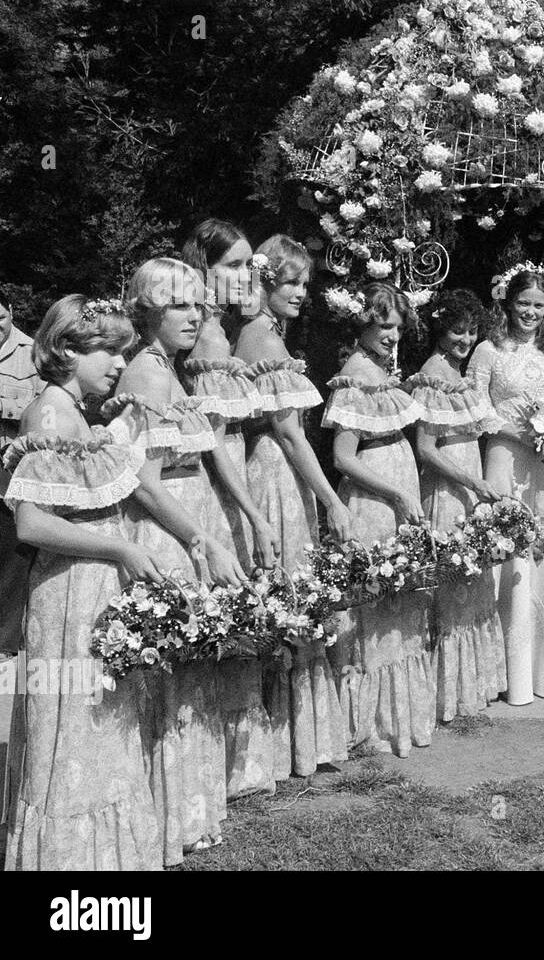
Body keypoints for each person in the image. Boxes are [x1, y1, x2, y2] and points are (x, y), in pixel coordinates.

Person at [3, 294, 163, 870]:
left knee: (98, 711)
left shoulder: (75, 412)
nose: (121, 362)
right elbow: (31, 521)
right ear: (67, 349)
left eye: (124, 351)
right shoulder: (47, 415)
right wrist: (119, 545)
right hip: (67, 588)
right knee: (70, 719)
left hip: (91, 584)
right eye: (108, 351)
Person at [112, 257, 247, 865]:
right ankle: (169, 816)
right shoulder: (146, 375)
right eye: (179, 306)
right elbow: (143, 482)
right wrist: (203, 542)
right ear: (148, 312)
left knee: (189, 671)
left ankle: (190, 808)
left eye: (198, 304)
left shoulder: (168, 369)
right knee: (171, 675)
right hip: (170, 531)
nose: (194, 316)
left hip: (189, 521)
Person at [234, 234, 353, 776]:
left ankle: (290, 742)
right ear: (264, 282)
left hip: (282, 474)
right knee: (285, 592)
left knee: (289, 593)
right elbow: (289, 435)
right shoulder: (261, 336)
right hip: (274, 475)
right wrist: (331, 499)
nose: (302, 292)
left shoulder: (266, 333)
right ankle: (279, 744)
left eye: (305, 282)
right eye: (291, 282)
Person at [181, 218, 280, 799]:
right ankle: (219, 770)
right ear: (203, 271)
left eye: (250, 265)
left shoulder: (218, 331)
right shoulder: (210, 340)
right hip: (220, 484)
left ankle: (227, 766)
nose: (248, 276)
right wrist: (254, 514)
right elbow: (215, 439)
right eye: (235, 266)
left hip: (231, 474)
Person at [469, 265, 544, 705]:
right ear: (507, 303)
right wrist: (514, 432)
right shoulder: (488, 349)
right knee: (506, 549)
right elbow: (474, 405)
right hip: (504, 456)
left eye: (539, 306)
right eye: (523, 304)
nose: (531, 313)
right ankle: (504, 671)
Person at [325, 283, 433, 756]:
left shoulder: (382, 370)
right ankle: (369, 724)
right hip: (373, 501)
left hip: (397, 495)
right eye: (382, 325)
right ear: (362, 324)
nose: (392, 335)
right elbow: (343, 458)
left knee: (399, 604)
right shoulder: (355, 375)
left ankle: (400, 718)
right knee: (375, 608)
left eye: (397, 326)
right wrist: (396, 493)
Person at [408, 287, 507, 721]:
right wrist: (473, 481)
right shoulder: (432, 374)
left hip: (468, 485)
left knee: (470, 582)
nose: (464, 340)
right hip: (447, 489)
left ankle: (469, 686)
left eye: (470, 332)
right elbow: (426, 448)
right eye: (456, 331)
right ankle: (443, 692)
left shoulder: (459, 372)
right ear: (438, 329)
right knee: (449, 585)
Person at [0, 298, 44, 656]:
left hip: (9, 466)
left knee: (12, 550)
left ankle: (5, 639)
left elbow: (43, 414)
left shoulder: (31, 354)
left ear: (12, 311)